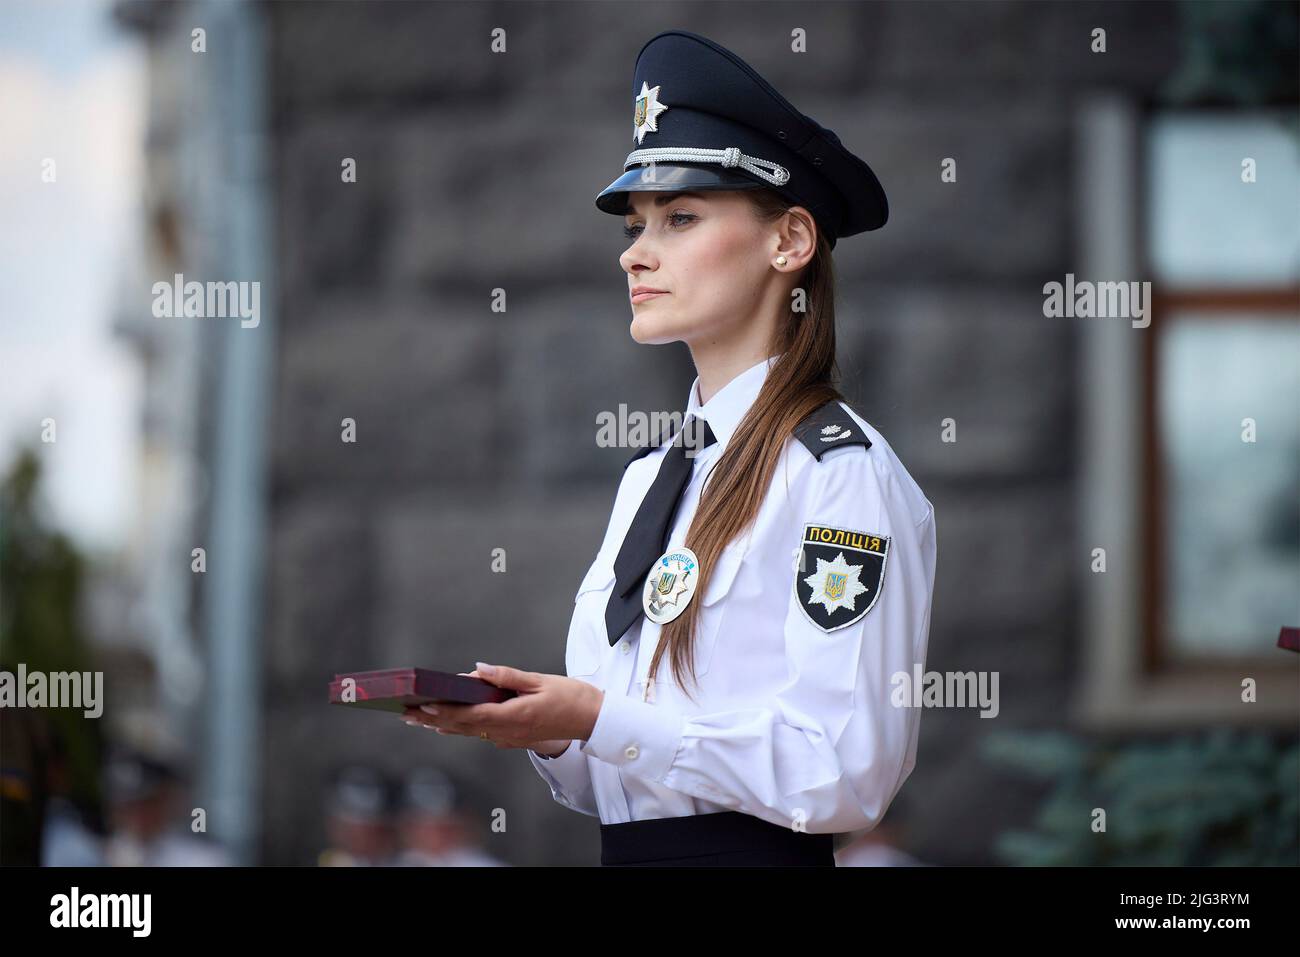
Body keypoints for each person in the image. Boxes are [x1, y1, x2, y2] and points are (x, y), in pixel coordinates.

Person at [402, 29, 936, 867]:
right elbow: (610, 779)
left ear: (789, 242)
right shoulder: (654, 478)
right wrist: (549, 729)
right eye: (636, 224)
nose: (635, 253)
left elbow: (842, 768)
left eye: (680, 217)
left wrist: (596, 717)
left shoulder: (840, 472)